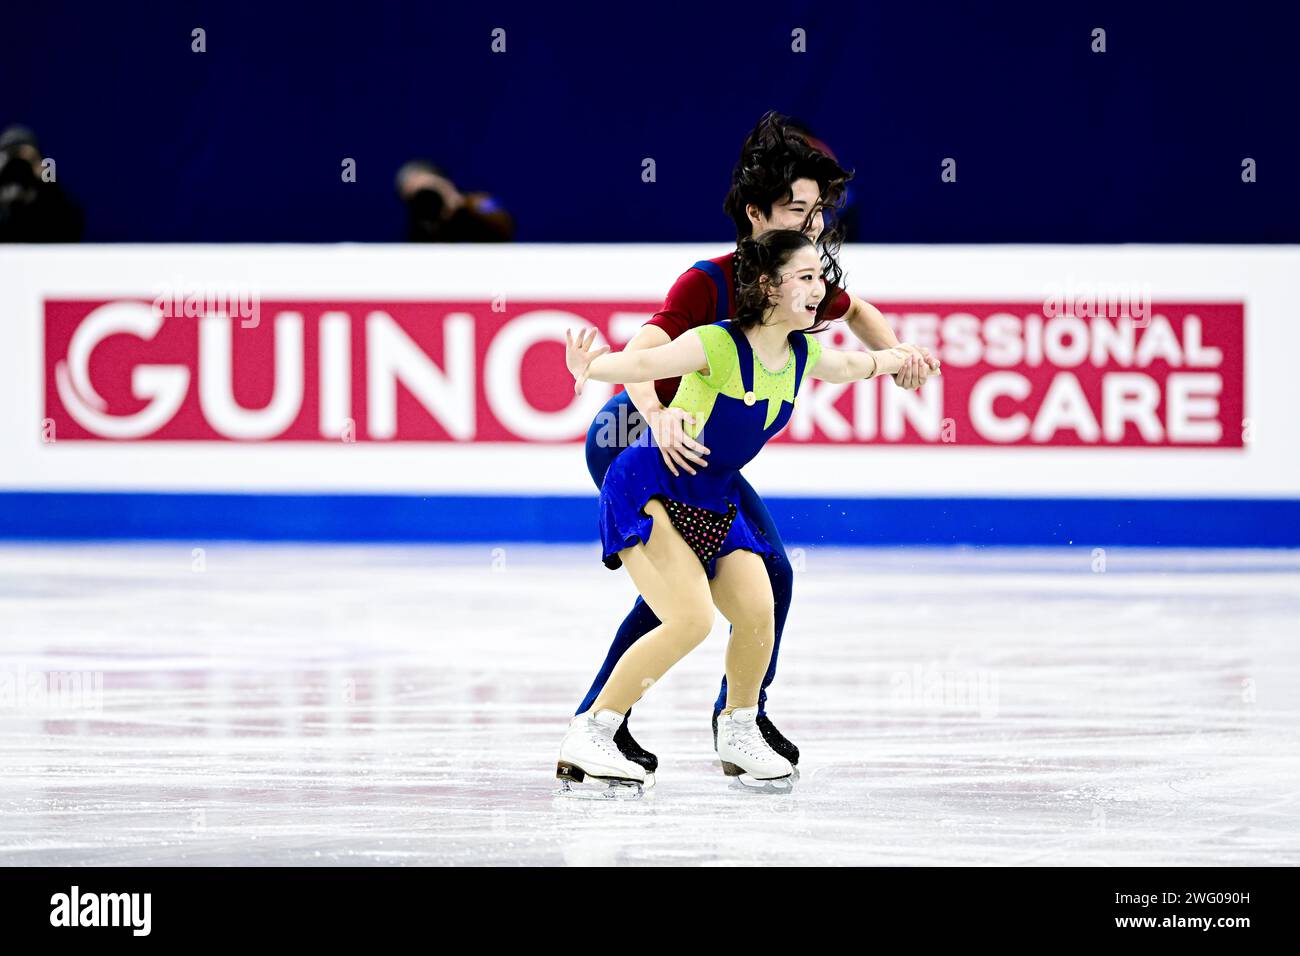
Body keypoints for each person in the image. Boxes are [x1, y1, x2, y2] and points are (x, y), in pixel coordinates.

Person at [575, 112, 939, 782]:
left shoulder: (797, 287)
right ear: (753, 212)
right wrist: (657, 416)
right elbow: (643, 355)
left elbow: (854, 315)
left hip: (704, 452)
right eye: (795, 210)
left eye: (819, 211)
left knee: (767, 573)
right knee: (679, 602)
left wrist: (895, 357)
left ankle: (738, 715)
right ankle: (602, 720)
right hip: (634, 432)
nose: (812, 226)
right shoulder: (710, 284)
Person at [395, 160, 513, 242]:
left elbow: (503, 219)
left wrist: (459, 202)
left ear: (445, 182)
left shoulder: (478, 202)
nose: (426, 199)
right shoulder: (416, 233)